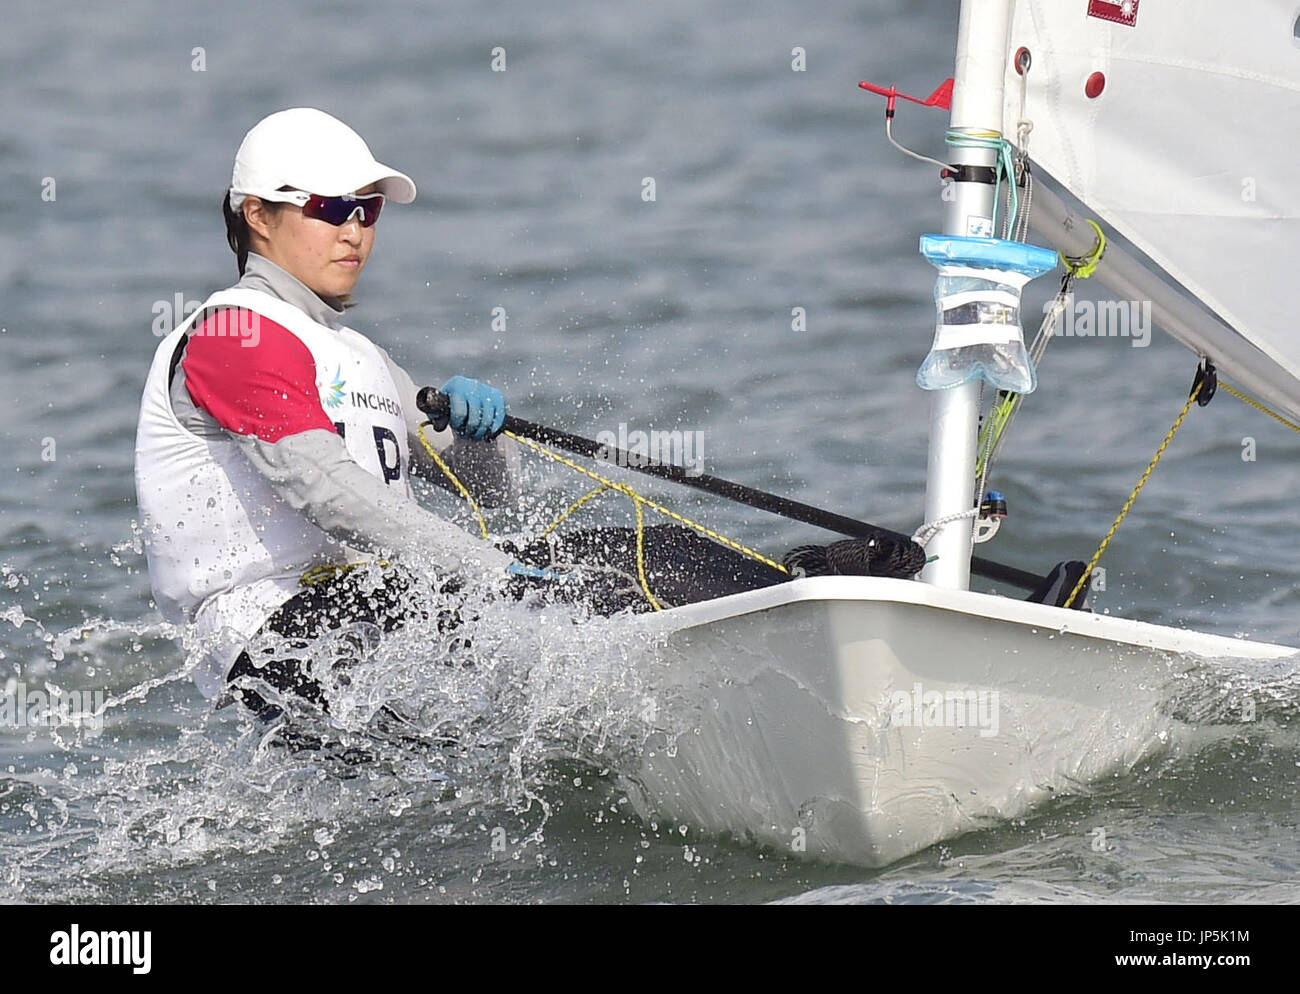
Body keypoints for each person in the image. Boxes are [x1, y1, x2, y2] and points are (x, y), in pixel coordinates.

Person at [135, 108, 525, 716]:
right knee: (521, 611)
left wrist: (482, 439)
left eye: (368, 211)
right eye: (331, 208)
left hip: (371, 612)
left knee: (585, 568)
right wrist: (492, 572)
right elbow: (327, 492)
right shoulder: (233, 335)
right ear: (258, 216)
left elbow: (492, 489)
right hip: (271, 635)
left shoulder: (361, 356)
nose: (355, 231)